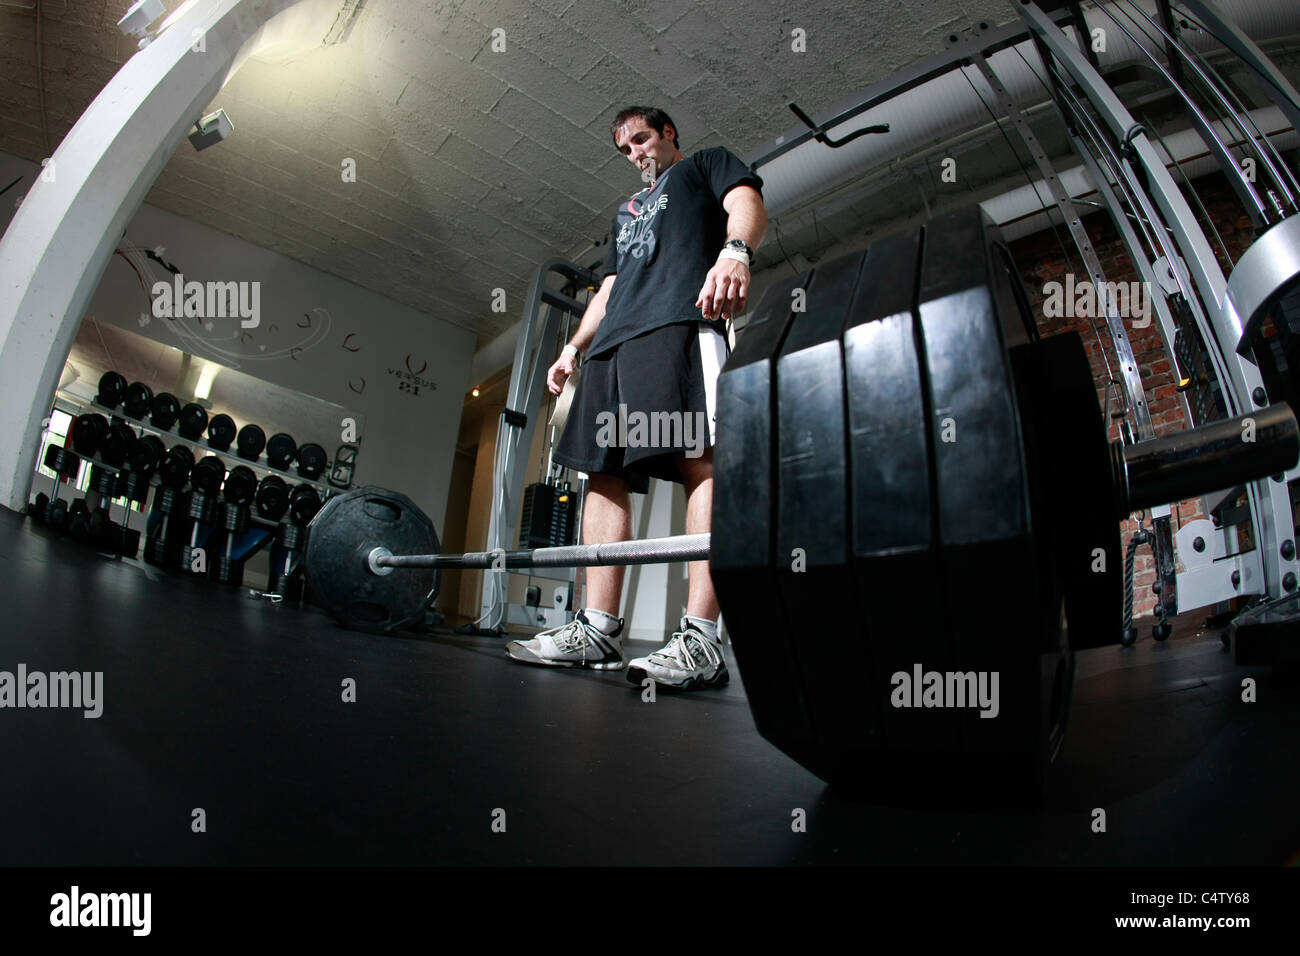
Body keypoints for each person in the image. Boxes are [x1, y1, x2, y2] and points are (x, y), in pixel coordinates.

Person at [505, 106, 767, 691]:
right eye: (625, 149)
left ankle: (702, 639)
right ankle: (598, 627)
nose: (636, 154)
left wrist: (735, 252)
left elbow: (746, 202)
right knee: (603, 473)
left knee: (701, 461)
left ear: (668, 133)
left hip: (678, 326)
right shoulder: (625, 212)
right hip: (613, 348)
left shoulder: (704, 166)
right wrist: (573, 348)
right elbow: (611, 288)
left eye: (642, 139)